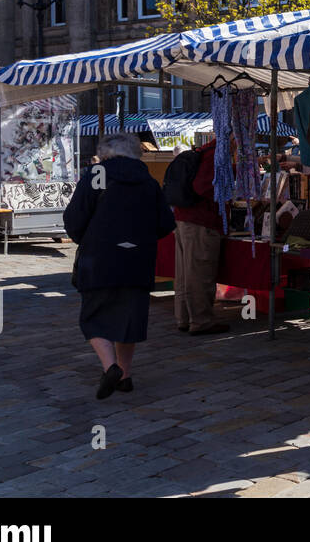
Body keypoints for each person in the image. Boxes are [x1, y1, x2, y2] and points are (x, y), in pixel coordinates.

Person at [66, 134, 176, 399]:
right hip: (138, 258)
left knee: (94, 316)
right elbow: (165, 223)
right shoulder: (148, 180)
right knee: (129, 317)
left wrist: (91, 238)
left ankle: (110, 367)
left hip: (100, 257)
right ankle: (125, 376)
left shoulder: (97, 174)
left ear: (105, 154)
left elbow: (74, 218)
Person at [171, 138, 230, 335]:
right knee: (199, 274)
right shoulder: (215, 154)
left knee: (185, 273)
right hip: (200, 220)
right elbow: (203, 187)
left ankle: (184, 318)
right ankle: (201, 320)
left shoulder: (204, 151)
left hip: (185, 217)